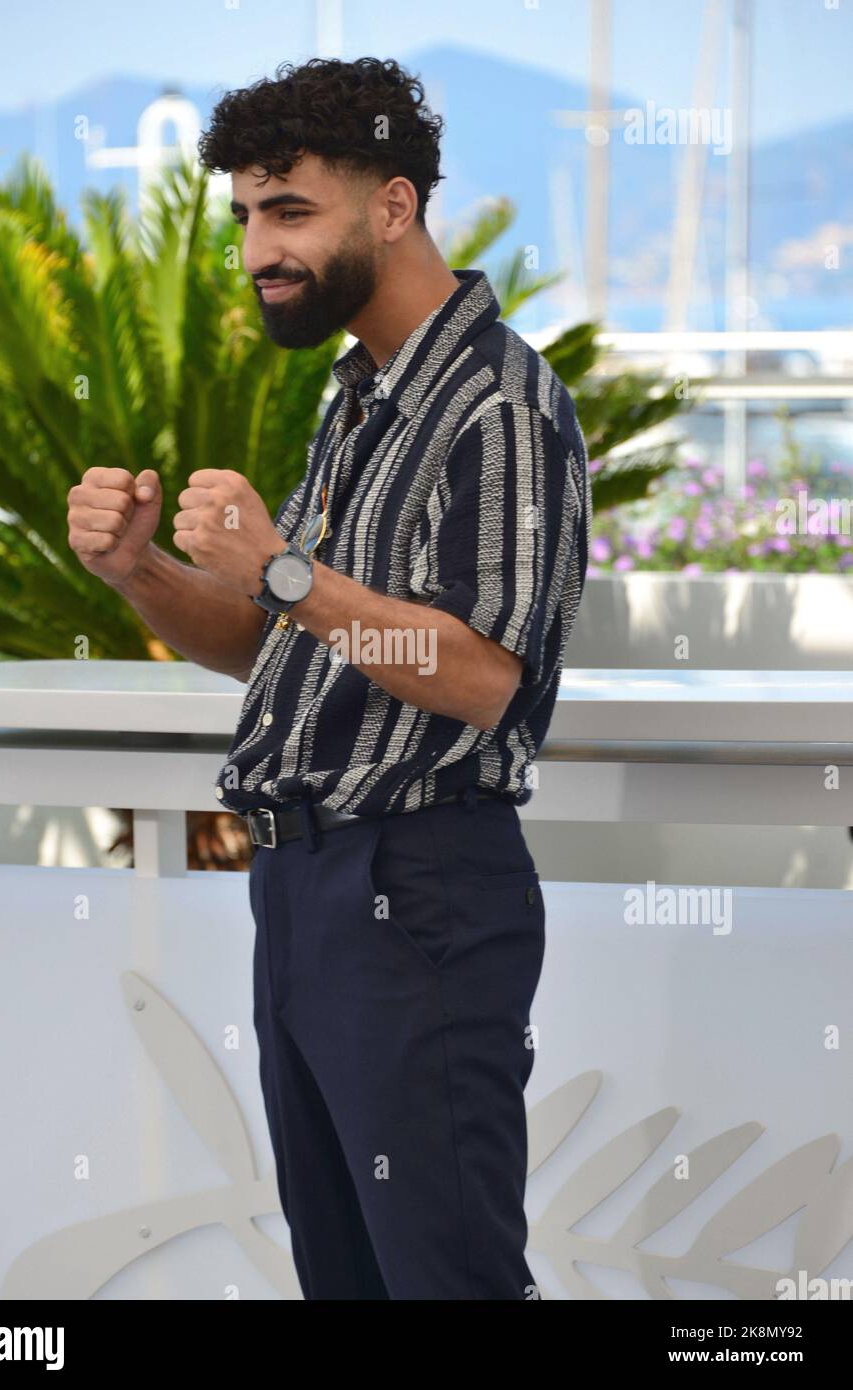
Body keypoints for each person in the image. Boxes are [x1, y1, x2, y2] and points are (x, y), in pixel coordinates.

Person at [67, 55, 591, 1300]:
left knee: (446, 1279)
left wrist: (289, 568)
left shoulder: (499, 406)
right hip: (303, 888)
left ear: (394, 205)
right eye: (248, 215)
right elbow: (280, 647)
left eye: (290, 211)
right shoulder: (357, 398)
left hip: (419, 893)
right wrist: (139, 572)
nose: (259, 248)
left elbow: (480, 678)